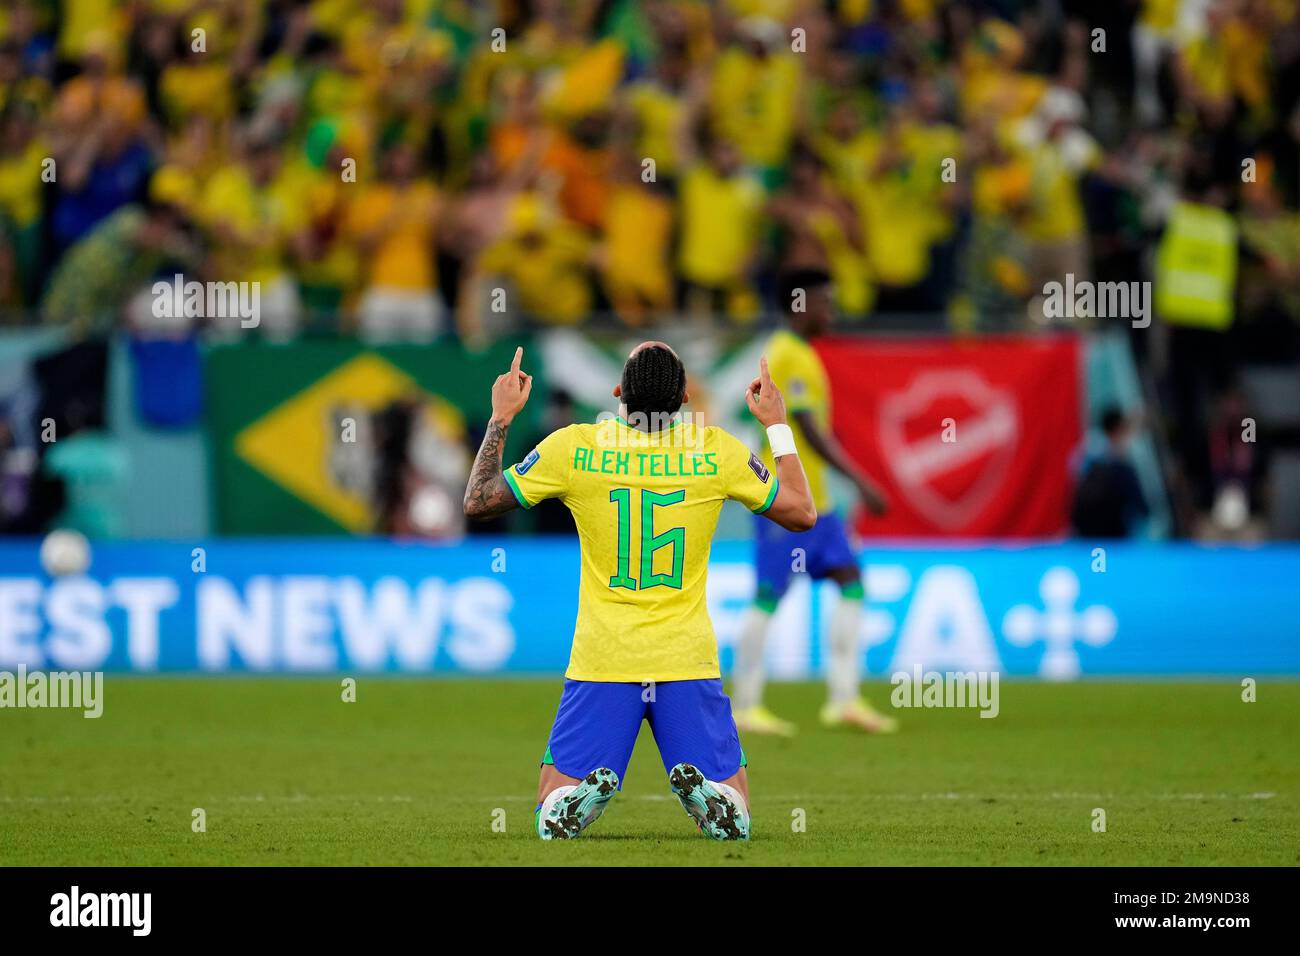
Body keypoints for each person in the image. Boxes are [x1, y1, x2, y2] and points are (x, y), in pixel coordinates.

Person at [462, 343, 816, 841]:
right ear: (687, 397)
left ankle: (569, 802)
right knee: (737, 796)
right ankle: (721, 802)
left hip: (603, 660)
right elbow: (802, 512)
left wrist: (501, 417)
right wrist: (776, 424)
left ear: (617, 392)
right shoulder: (715, 452)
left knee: (548, 796)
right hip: (685, 659)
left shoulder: (575, 448)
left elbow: (478, 501)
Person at [732, 269, 895, 738]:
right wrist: (863, 481)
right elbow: (808, 429)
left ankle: (844, 699)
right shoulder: (789, 355)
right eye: (825, 302)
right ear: (799, 305)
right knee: (769, 594)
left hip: (817, 504)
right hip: (784, 502)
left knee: (850, 579)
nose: (833, 311)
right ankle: (745, 704)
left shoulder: (798, 353)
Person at [1071, 407, 1149, 539]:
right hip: (1115, 537)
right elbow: (1142, 508)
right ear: (1118, 429)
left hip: (1087, 535)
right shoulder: (1120, 467)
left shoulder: (1086, 453)